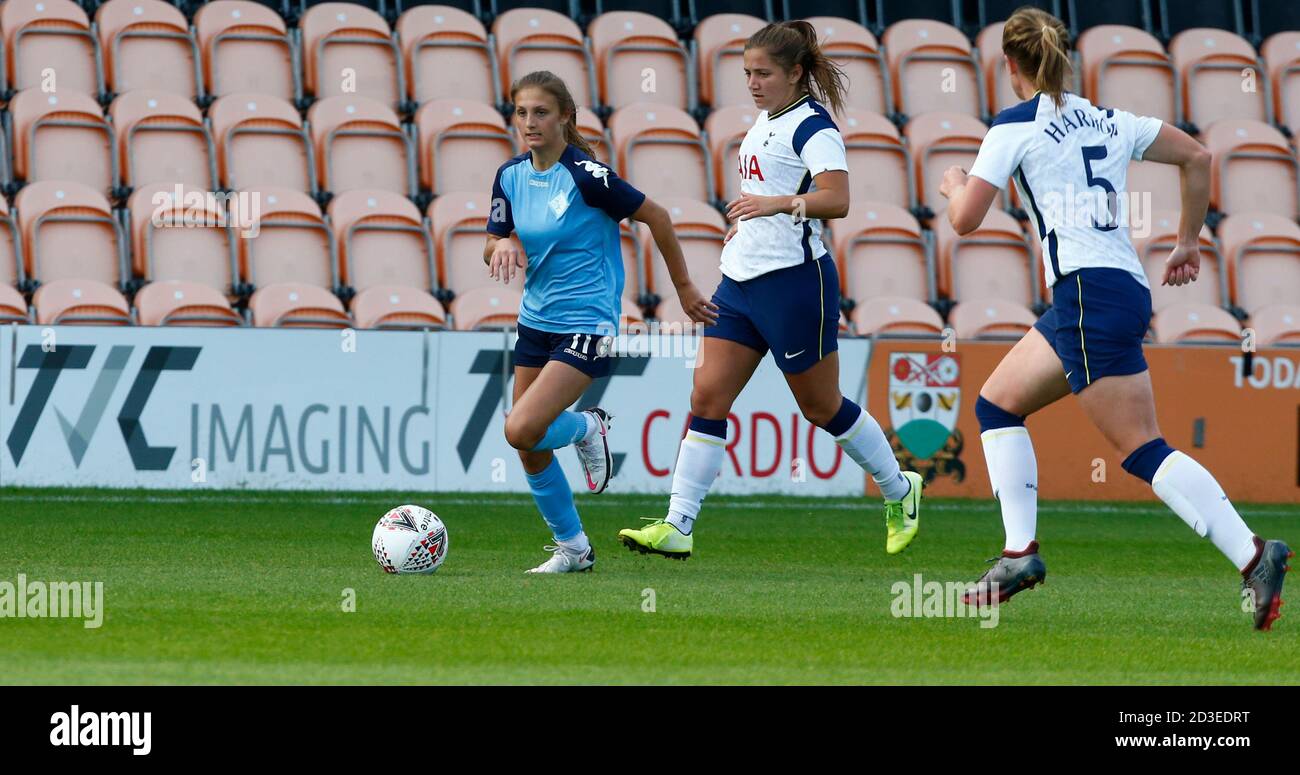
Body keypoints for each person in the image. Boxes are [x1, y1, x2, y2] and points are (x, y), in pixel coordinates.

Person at [939, 6, 1291, 629]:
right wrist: (1188, 239)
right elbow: (1199, 156)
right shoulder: (1109, 118)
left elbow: (966, 220)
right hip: (1116, 288)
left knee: (1142, 449)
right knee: (996, 403)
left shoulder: (1013, 127)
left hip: (1083, 297)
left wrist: (951, 184)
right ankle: (1019, 553)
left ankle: (1253, 553)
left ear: (1010, 64)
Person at [618, 21, 924, 560]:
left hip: (795, 285)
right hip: (740, 282)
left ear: (795, 73)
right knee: (707, 397)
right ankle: (678, 525)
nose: (753, 83)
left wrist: (777, 206)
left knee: (821, 406)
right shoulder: (765, 119)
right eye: (747, 73)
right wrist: (752, 222)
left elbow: (837, 199)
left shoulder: (813, 126)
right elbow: (769, 190)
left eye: (763, 73)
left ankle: (901, 490)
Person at [485, 71, 718, 574]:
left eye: (541, 112)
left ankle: (588, 427)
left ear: (566, 117)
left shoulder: (588, 175)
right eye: (522, 112)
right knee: (526, 445)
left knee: (520, 426)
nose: (530, 122)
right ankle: (574, 550)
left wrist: (683, 288)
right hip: (535, 322)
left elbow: (657, 216)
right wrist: (500, 242)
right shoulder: (509, 176)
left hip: (587, 324)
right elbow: (494, 237)